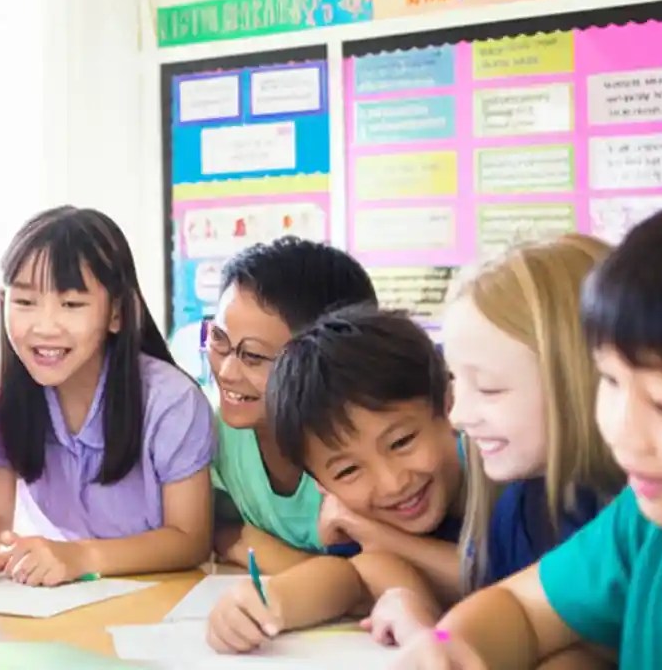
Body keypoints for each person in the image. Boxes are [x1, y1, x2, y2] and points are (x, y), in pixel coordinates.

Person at [392, 199, 662, 670]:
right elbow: (521, 609)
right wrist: (451, 644)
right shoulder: (645, 523)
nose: (619, 429)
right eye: (610, 381)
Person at [0, 207, 213, 592]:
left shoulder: (171, 402)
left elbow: (190, 539)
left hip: (171, 599)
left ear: (117, 314)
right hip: (78, 602)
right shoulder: (8, 402)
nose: (45, 327)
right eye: (24, 302)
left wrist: (81, 557)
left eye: (72, 305)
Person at [363, 235, 623, 660]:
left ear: (582, 383)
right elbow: (509, 614)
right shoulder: (514, 506)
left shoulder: (627, 520)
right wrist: (436, 638)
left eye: (489, 387)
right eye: (454, 382)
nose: (458, 416)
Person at [206, 306, 465, 654]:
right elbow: (350, 578)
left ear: (449, 406)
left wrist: (375, 534)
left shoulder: (507, 486)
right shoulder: (364, 520)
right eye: (348, 471)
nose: (392, 483)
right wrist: (268, 602)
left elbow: (515, 583)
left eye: (401, 442)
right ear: (321, 486)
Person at [207, 238, 379, 573]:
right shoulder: (216, 434)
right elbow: (218, 529)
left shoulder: (369, 446)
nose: (226, 372)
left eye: (253, 356)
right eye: (218, 340)